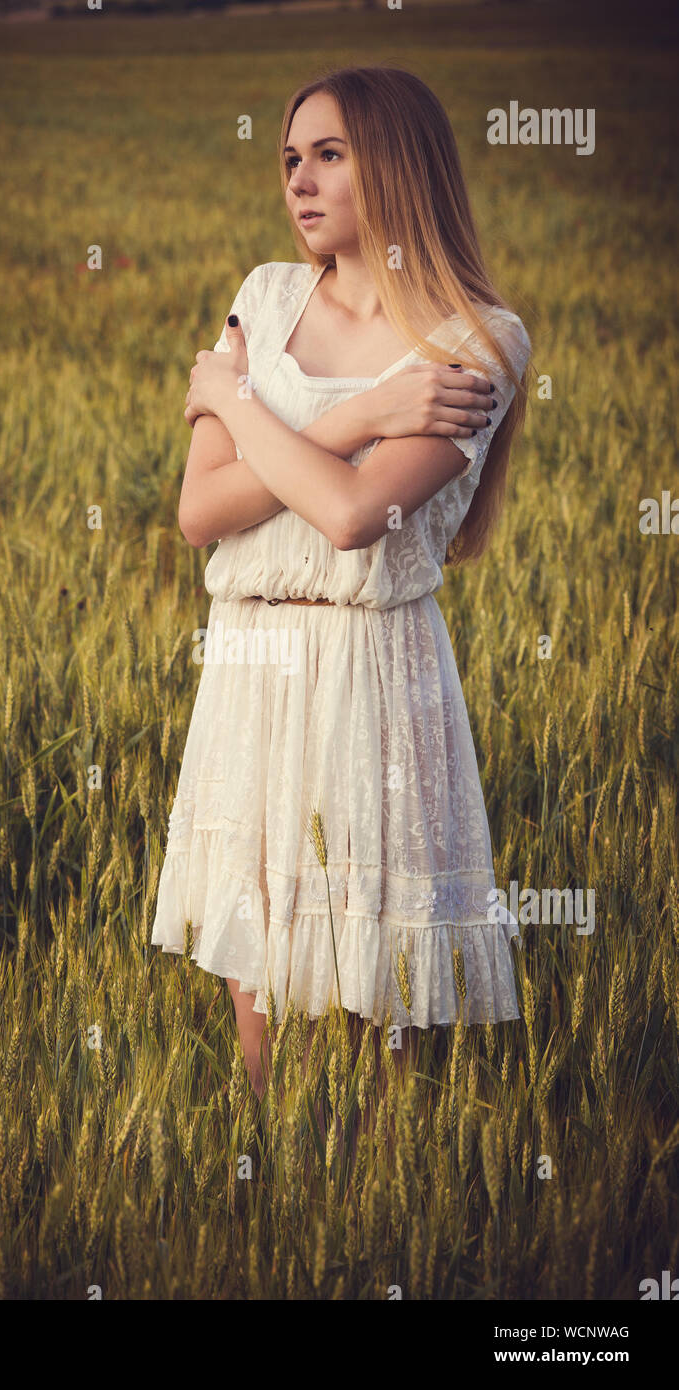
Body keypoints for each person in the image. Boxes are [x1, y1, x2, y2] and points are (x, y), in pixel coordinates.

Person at [150, 65, 532, 1105]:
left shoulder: (474, 343)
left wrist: (239, 407)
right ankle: (271, 1178)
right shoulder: (264, 299)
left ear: (397, 164)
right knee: (256, 935)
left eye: (328, 154)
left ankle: (381, 1213)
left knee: (374, 959)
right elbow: (199, 512)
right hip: (250, 650)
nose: (298, 181)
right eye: (287, 159)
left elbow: (354, 516)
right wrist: (363, 416)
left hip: (370, 660)